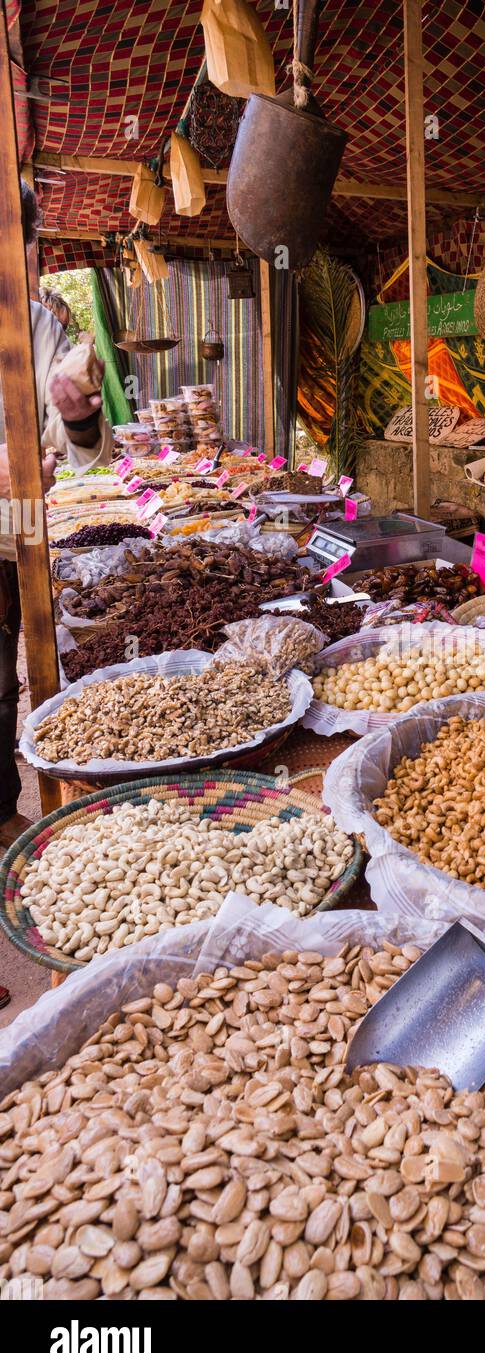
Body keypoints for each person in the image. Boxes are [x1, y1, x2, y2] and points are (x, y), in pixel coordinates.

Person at [0, 184, 111, 870]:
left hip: (14, 526)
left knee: (4, 666)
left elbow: (85, 452)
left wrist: (74, 414)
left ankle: (3, 807)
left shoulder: (35, 324)